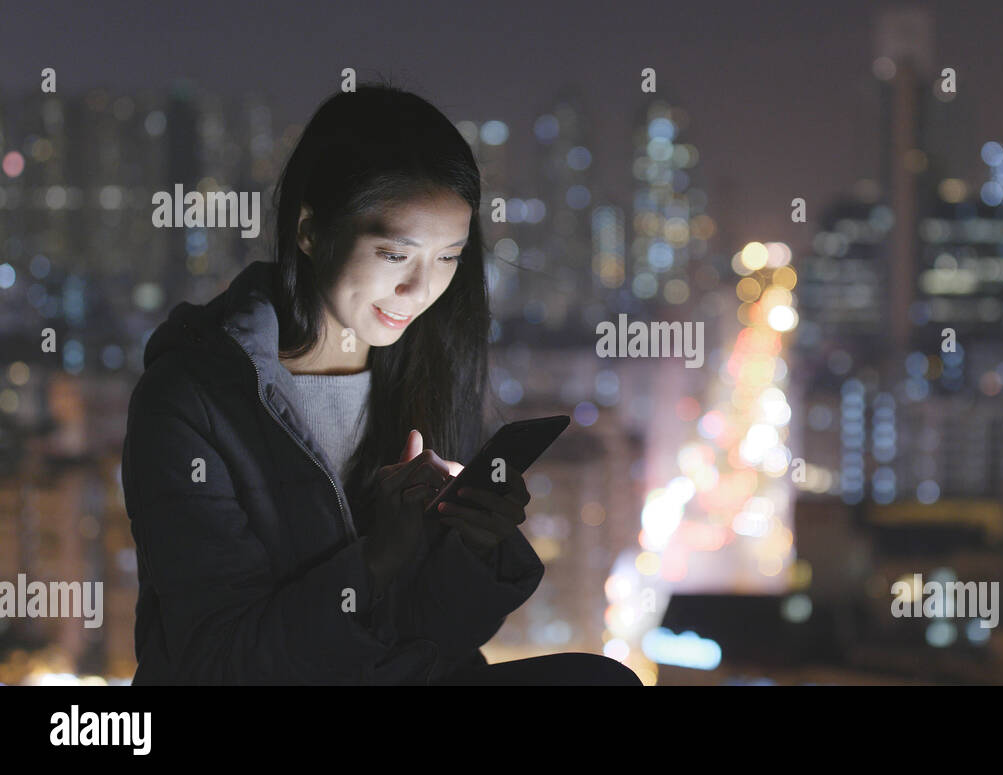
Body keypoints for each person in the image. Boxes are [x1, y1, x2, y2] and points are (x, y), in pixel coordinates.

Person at [120, 83, 641, 686]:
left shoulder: (420, 372)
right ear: (310, 231)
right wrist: (375, 561)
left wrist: (474, 545)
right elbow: (218, 664)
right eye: (395, 255)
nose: (420, 290)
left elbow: (439, 638)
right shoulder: (192, 400)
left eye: (447, 258)